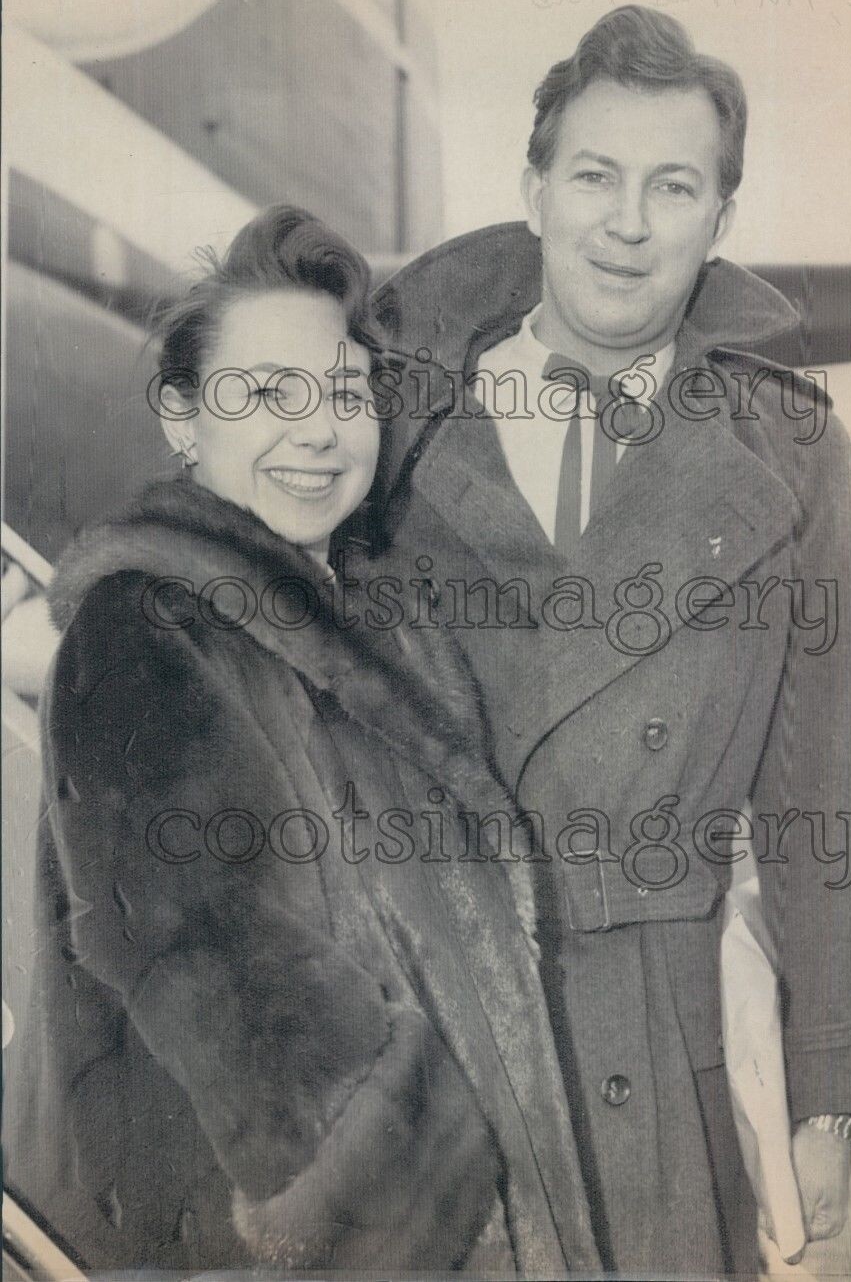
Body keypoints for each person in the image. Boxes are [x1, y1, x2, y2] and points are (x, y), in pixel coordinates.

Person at [364, 6, 851, 1276]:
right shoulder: (382, 432)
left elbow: (829, 784)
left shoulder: (788, 445)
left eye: (673, 187)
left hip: (667, 1043)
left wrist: (835, 1095)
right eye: (594, 176)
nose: (627, 222)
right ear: (534, 191)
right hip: (427, 1037)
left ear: (719, 219)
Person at [3, 207, 602, 1275]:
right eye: (266, 395)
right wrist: (451, 1188)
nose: (319, 432)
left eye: (341, 393)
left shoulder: (380, 629)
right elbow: (227, 969)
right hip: (228, 1238)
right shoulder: (151, 626)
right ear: (182, 419)